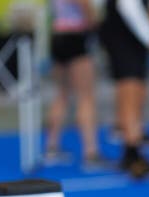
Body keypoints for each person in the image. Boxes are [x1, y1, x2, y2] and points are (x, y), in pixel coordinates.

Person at [100, 0, 149, 178]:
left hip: (131, 33)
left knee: (137, 88)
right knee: (130, 89)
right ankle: (132, 153)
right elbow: (128, 6)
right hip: (122, 32)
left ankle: (132, 144)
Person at [46, 0, 107, 169]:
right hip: (76, 36)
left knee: (62, 95)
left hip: (57, 34)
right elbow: (84, 5)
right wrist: (95, 23)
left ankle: (51, 147)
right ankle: (91, 152)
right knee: (86, 96)